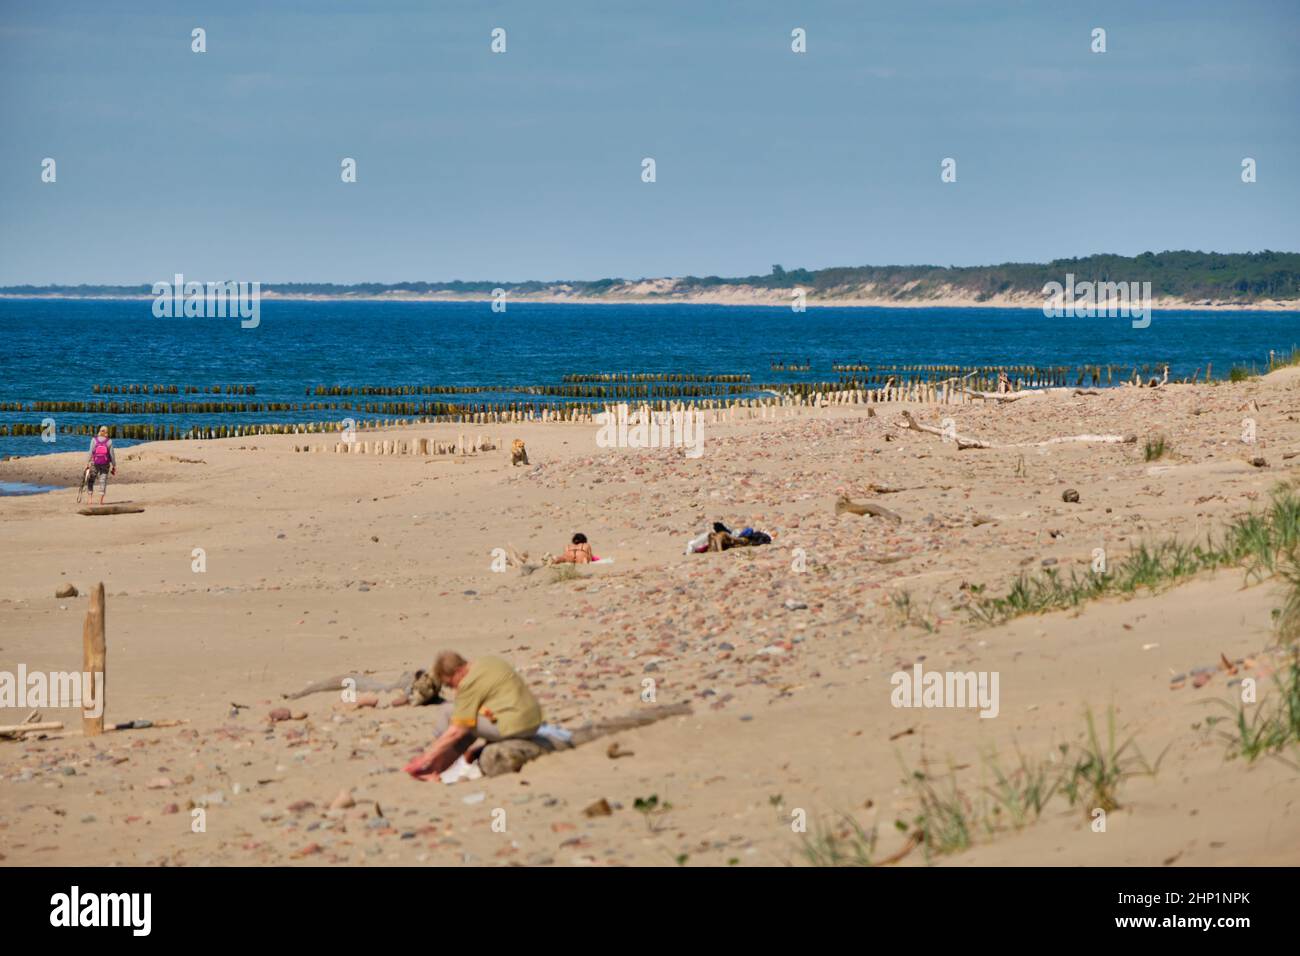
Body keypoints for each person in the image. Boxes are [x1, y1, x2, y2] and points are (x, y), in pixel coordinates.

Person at [403, 651, 543, 781]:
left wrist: (425, 757)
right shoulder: (489, 661)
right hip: (532, 721)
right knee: (466, 717)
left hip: (514, 725)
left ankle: (434, 770)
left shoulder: (468, 682)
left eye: (449, 684)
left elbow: (458, 730)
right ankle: (440, 768)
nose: (452, 689)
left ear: (458, 672)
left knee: (449, 712)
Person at [85, 426, 116, 505]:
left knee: (91, 480)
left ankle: (90, 500)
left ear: (99, 431)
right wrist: (114, 465)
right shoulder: (109, 441)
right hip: (105, 464)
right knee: (103, 481)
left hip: (94, 463)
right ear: (106, 432)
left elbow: (90, 452)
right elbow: (112, 455)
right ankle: (101, 501)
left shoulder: (94, 440)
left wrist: (87, 463)